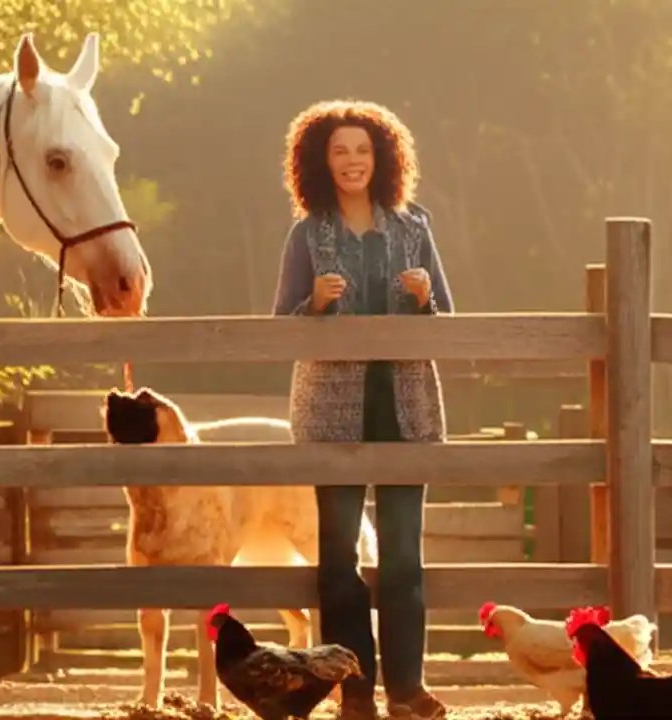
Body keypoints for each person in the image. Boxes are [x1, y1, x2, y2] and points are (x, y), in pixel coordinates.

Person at [271, 99, 454, 720]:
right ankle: (354, 691)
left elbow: (448, 323)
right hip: (331, 413)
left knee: (404, 559)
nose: (352, 161)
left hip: (406, 411)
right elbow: (278, 329)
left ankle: (407, 689)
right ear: (321, 162)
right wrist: (313, 307)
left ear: (383, 160)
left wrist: (426, 300)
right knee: (339, 561)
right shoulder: (306, 234)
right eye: (340, 151)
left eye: (363, 151)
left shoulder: (415, 228)